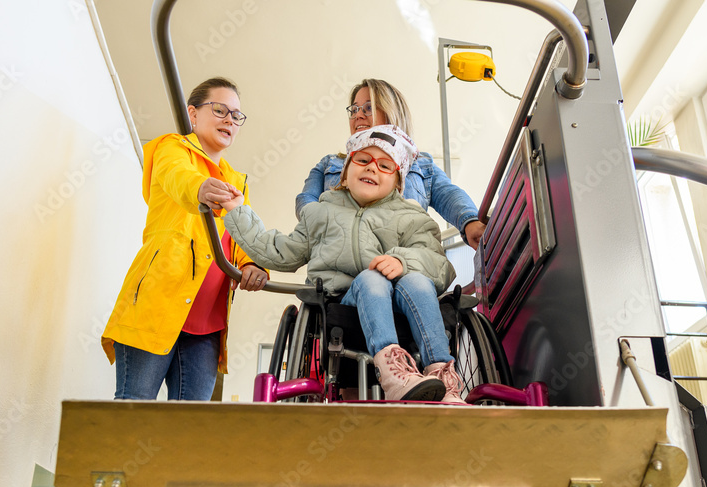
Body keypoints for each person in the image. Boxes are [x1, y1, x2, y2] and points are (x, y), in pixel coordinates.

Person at [225, 125, 467, 404]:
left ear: (398, 182)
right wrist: (236, 211)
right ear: (346, 170)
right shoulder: (321, 212)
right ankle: (394, 375)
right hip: (345, 305)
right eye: (363, 160)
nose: (372, 168)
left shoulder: (412, 216)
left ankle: (443, 376)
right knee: (371, 278)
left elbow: (439, 265)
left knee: (417, 279)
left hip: (404, 303)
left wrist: (403, 261)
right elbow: (280, 252)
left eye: (385, 165)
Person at [101, 77, 268, 401]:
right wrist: (200, 189)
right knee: (133, 413)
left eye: (236, 115)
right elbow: (180, 178)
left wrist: (253, 264)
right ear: (193, 114)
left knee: (190, 431)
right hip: (156, 309)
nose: (228, 120)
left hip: (207, 326)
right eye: (219, 110)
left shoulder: (237, 182)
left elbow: (242, 233)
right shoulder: (171, 149)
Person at [296, 78, 487, 249]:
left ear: (391, 112)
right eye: (354, 109)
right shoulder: (329, 164)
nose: (358, 115)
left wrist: (469, 221)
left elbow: (449, 195)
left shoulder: (422, 165)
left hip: (405, 270)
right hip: (340, 272)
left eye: (369, 108)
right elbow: (306, 202)